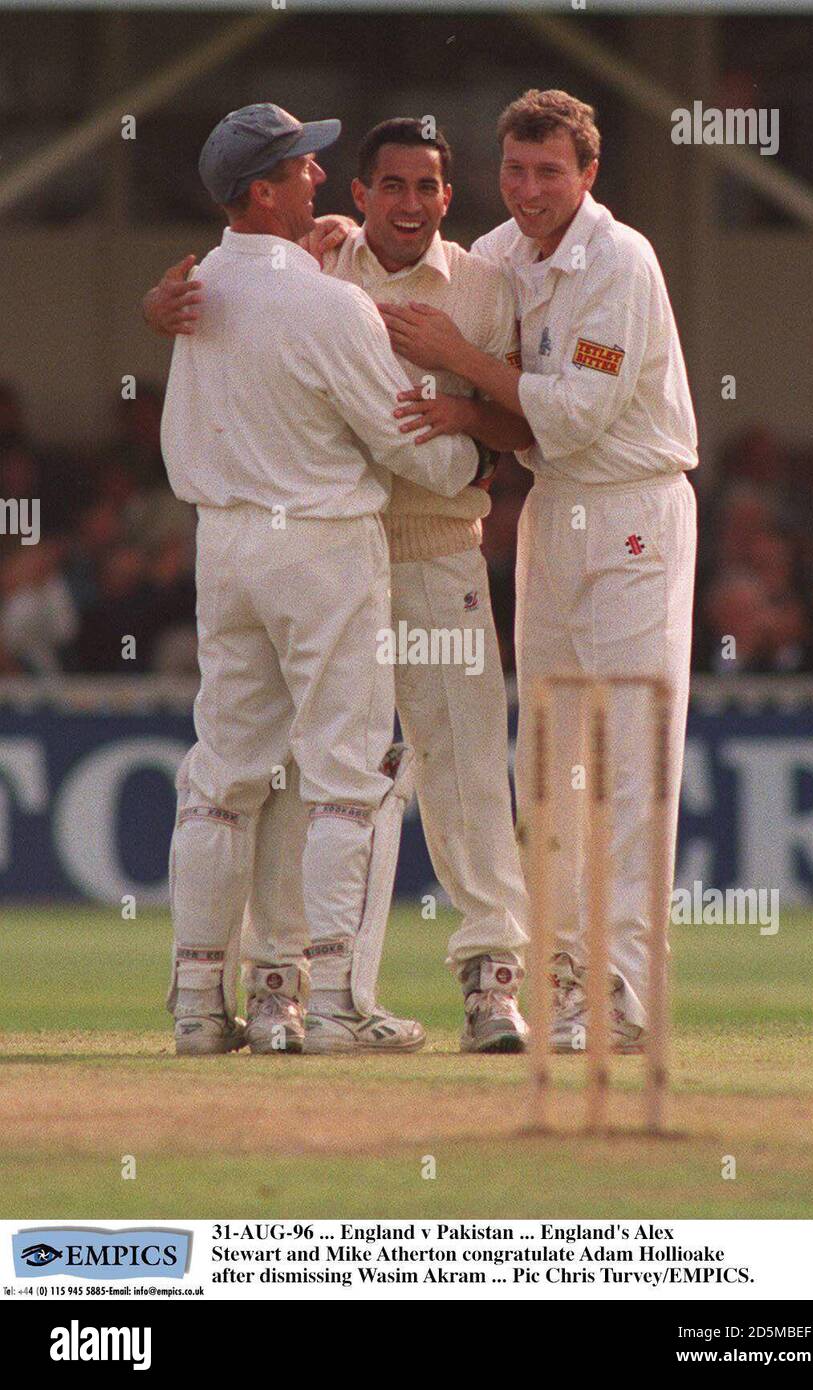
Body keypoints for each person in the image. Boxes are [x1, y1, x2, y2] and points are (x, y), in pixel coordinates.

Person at [146, 118, 533, 1053]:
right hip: (325, 545)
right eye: (302, 165)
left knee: (226, 775)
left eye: (426, 185)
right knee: (340, 773)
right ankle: (327, 1007)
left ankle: (201, 1005)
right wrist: (476, 454)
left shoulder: (204, 291)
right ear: (268, 191)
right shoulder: (321, 299)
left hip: (233, 544)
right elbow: (407, 441)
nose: (317, 171)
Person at [377, 90, 698, 1053]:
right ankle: (565, 984)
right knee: (548, 762)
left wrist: (464, 367)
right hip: (555, 509)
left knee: (624, 755)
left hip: (635, 502)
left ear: (587, 173)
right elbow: (425, 276)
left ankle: (622, 993)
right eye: (513, 171)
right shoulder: (505, 256)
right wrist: (340, 232)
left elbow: (577, 414)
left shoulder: (619, 258)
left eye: (549, 172)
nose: (528, 191)